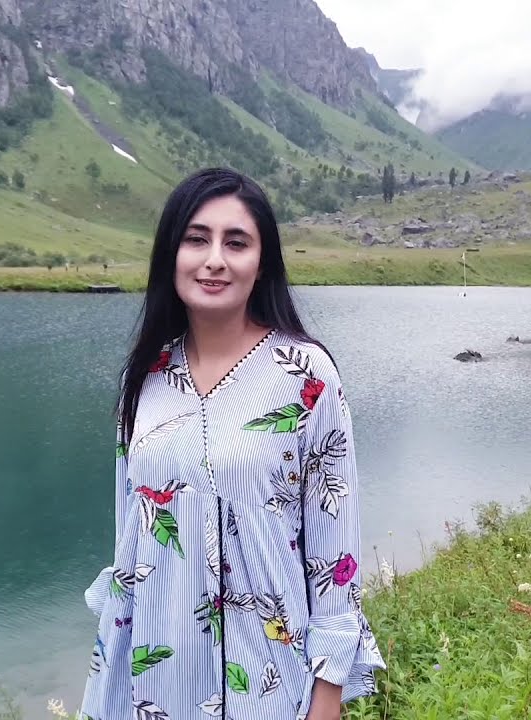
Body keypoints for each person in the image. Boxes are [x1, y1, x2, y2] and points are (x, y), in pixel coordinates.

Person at [81, 168, 384, 719]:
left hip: (266, 675)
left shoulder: (305, 375)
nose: (214, 260)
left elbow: (333, 551)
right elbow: (130, 533)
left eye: (236, 242)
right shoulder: (144, 377)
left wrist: (327, 696)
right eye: (196, 239)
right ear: (170, 254)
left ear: (261, 262)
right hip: (154, 670)